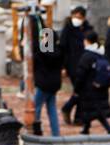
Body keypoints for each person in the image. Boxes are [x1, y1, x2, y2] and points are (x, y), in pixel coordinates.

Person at [72, 29, 110, 135]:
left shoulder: (86, 56)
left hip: (89, 89)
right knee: (91, 110)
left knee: (94, 111)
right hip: (100, 87)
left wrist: (76, 89)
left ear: (87, 41)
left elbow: (81, 74)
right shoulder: (101, 53)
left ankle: (109, 129)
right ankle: (86, 129)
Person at [30, 9, 64, 137]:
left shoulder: (42, 53)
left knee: (35, 108)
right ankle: (56, 134)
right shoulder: (58, 51)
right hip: (55, 84)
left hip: (43, 84)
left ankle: (35, 131)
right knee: (52, 109)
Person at [58, 7, 90, 126]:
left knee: (83, 91)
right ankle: (71, 111)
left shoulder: (88, 29)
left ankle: (76, 115)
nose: (77, 19)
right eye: (75, 16)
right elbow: (62, 48)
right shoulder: (68, 30)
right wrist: (63, 67)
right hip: (72, 65)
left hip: (86, 64)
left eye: (79, 17)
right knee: (81, 90)